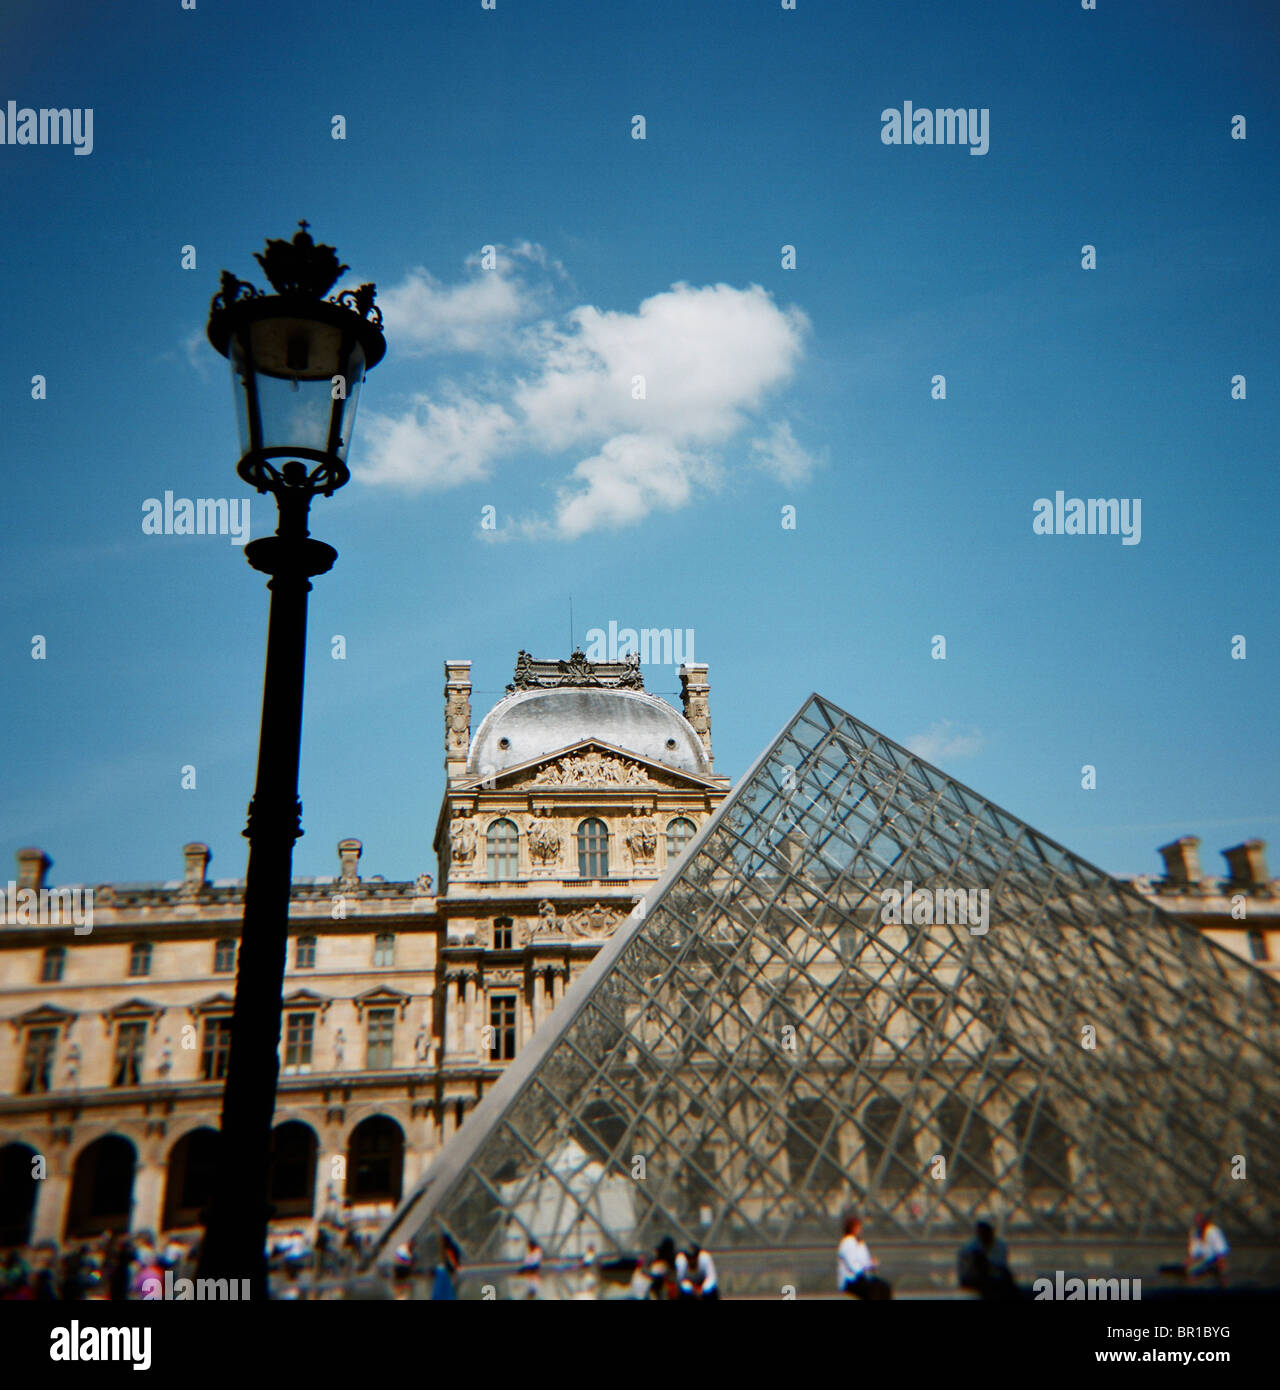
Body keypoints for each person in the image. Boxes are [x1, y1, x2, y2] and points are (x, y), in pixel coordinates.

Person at [957, 1220, 1018, 1300]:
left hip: (994, 1276)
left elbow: (1000, 1265)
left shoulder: (1000, 1245)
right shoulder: (971, 1248)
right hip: (976, 1277)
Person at [837, 1215, 891, 1299]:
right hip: (851, 1280)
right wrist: (868, 1266)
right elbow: (853, 1265)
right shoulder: (848, 1242)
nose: (860, 1229)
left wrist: (872, 1263)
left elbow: (865, 1260)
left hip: (862, 1277)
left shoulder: (860, 1243)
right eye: (857, 1227)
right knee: (874, 1290)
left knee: (885, 1287)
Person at [1186, 1213, 1229, 1287]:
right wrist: (1189, 1261)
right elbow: (1194, 1251)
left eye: (1199, 1221)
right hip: (1204, 1259)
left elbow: (1221, 1250)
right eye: (1196, 1221)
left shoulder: (1213, 1231)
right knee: (1191, 1272)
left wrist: (1221, 1265)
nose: (1197, 1223)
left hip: (1216, 1259)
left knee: (1221, 1274)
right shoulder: (1194, 1232)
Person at [431, 1233, 461, 1300]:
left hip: (449, 1271)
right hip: (450, 1271)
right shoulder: (450, 1248)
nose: (441, 1243)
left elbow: (452, 1259)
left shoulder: (448, 1249)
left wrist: (455, 1268)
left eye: (442, 1241)